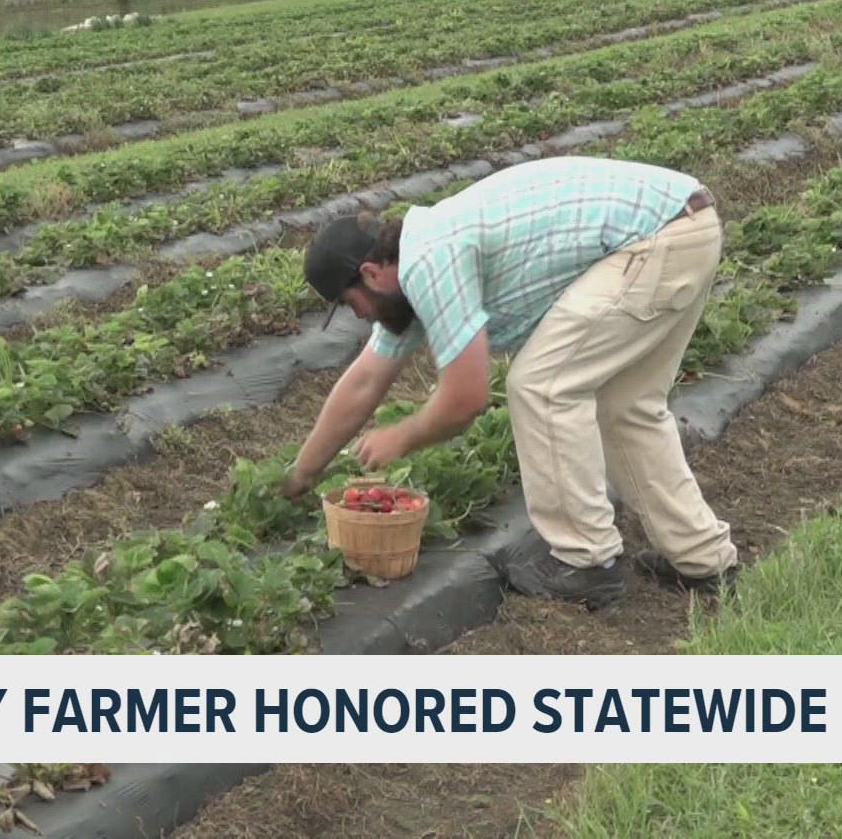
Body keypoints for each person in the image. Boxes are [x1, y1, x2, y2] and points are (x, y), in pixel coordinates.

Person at [279, 155, 739, 609]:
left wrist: (403, 435)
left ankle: (586, 561)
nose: (359, 316)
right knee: (626, 406)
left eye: (351, 303)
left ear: (370, 273)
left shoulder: (429, 260)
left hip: (654, 239)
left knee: (542, 386)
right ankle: (702, 560)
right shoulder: (418, 264)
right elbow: (364, 381)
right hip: (685, 225)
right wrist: (302, 472)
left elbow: (466, 398)